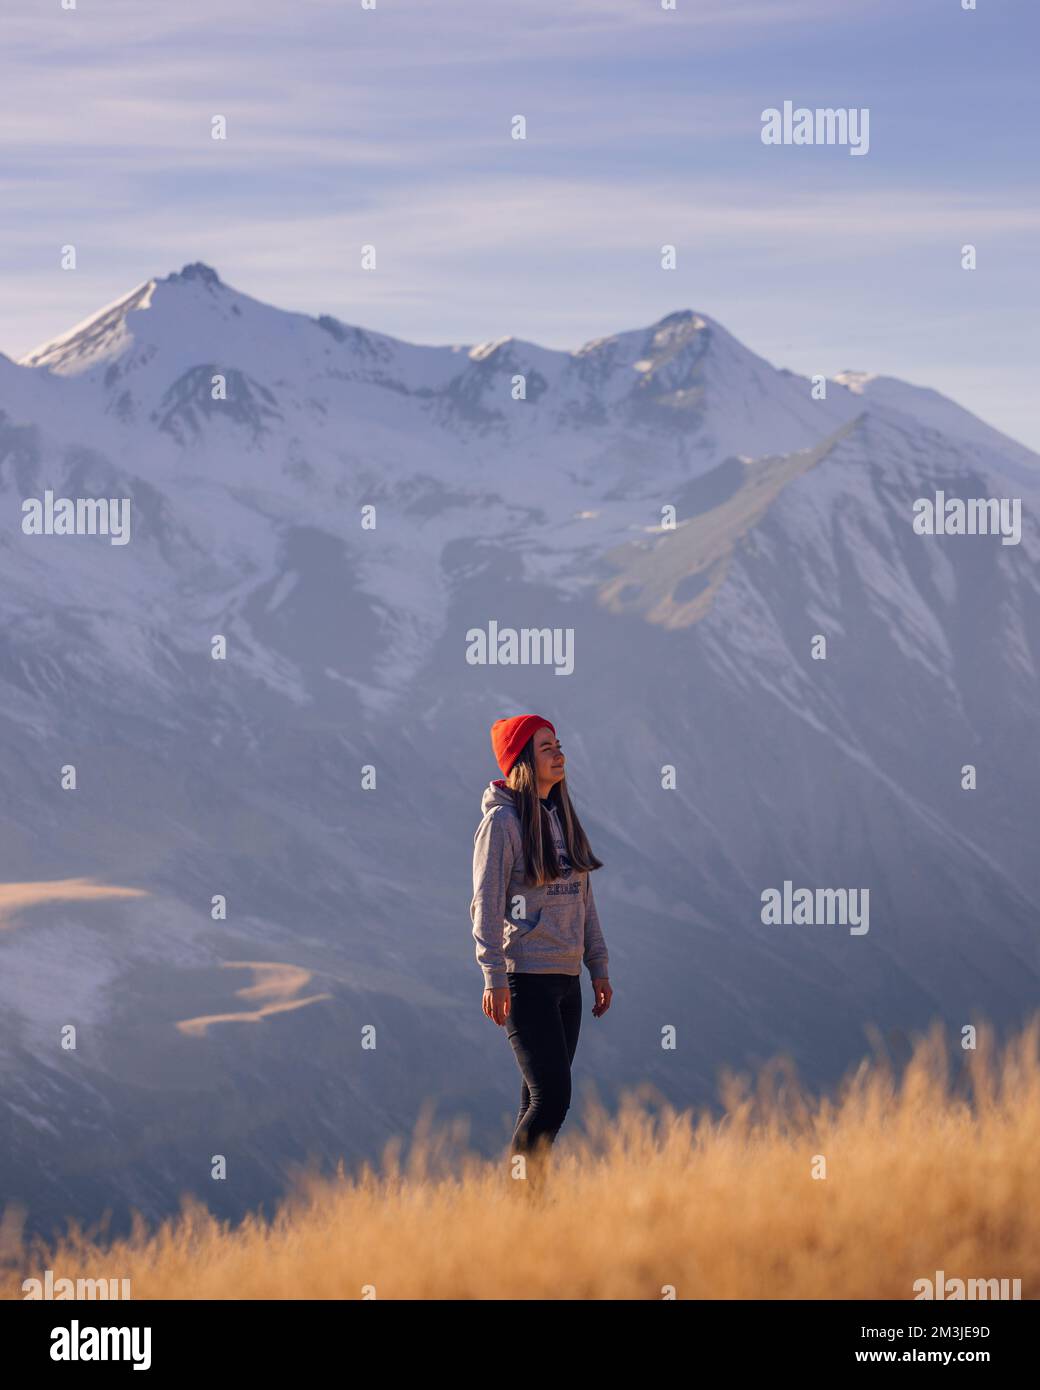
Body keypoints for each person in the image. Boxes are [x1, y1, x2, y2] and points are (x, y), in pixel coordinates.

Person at [470, 713, 612, 1186]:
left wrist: (598, 966)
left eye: (558, 743)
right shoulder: (502, 823)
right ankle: (521, 1205)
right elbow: (485, 903)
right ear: (523, 759)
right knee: (552, 1100)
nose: (558, 752)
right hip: (524, 979)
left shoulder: (563, 816)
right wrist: (492, 975)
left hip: (567, 980)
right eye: (546, 745)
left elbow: (585, 900)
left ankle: (529, 1208)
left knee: (535, 1101)